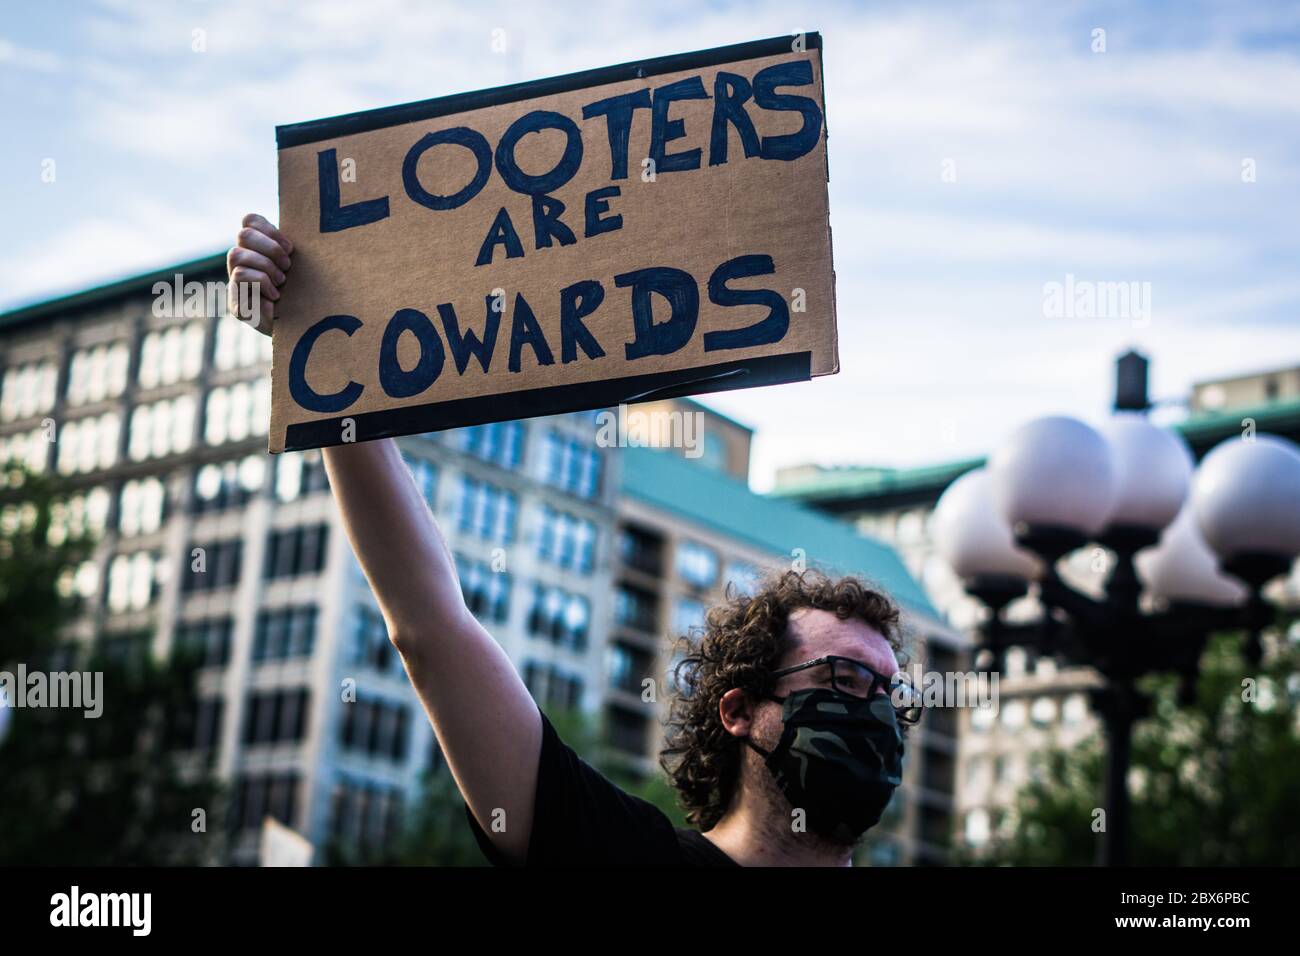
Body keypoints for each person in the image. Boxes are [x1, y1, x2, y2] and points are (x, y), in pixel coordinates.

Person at [226, 213, 919, 867]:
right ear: (740, 711)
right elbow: (430, 628)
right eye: (847, 679)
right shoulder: (618, 854)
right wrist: (321, 361)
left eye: (891, 695)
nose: (878, 714)